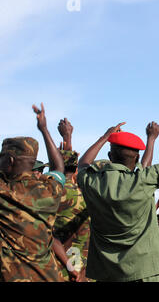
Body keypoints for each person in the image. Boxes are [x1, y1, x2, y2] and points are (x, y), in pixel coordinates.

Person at [77, 119, 159, 282]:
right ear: (136, 158)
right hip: (146, 271)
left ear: (110, 156)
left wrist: (105, 136)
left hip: (108, 274)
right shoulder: (142, 181)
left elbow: (83, 164)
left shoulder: (92, 182)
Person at [0, 103, 66, 281]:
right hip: (48, 276)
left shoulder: (4, 191)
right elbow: (59, 167)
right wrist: (44, 130)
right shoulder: (49, 190)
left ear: (11, 160)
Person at [52, 118, 91, 282]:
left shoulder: (51, 193)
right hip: (82, 269)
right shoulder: (86, 195)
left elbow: (51, 237)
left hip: (61, 268)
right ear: (75, 169)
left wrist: (67, 139)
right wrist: (68, 138)